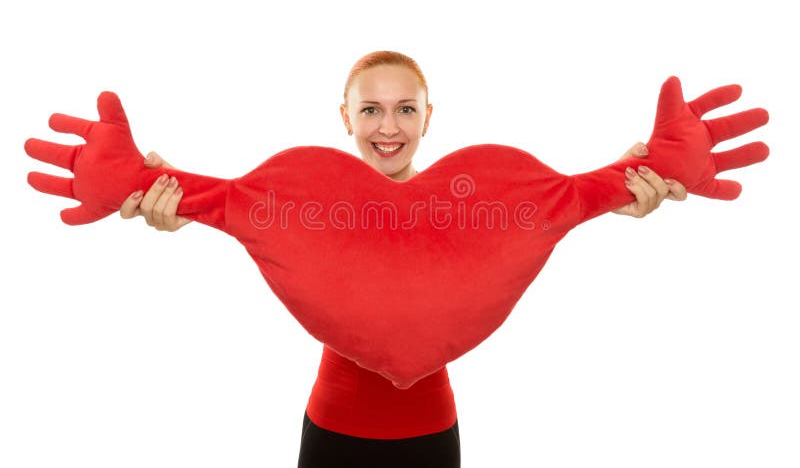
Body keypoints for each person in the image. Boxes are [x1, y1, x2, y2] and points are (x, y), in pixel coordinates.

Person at [118, 51, 687, 467]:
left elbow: (551, 203)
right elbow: (234, 203)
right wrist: (170, 195)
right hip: (331, 435)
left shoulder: (473, 208)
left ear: (428, 117)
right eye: (370, 110)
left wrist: (621, 187)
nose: (388, 128)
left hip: (431, 436)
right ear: (344, 117)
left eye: (404, 110)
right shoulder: (307, 203)